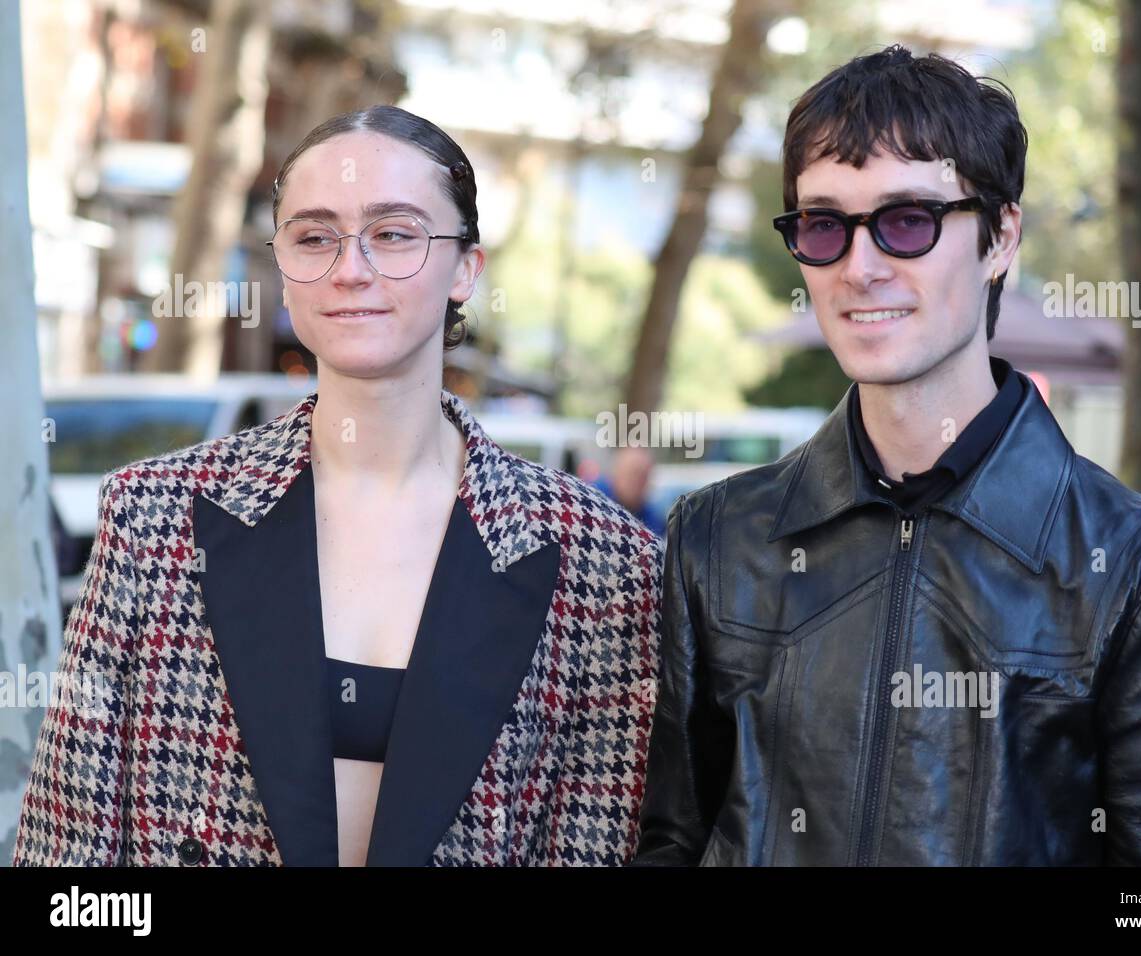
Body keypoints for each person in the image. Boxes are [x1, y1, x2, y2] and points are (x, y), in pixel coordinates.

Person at [634, 46, 1141, 866]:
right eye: (824, 225)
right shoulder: (716, 535)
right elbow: (672, 838)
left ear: (1000, 237)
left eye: (908, 221)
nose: (861, 267)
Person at [12, 105, 663, 867]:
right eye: (315, 236)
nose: (351, 269)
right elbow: (69, 866)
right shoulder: (155, 520)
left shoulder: (604, 561)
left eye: (393, 233)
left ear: (465, 269)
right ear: (283, 266)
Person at [593, 446, 666, 538]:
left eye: (644, 475)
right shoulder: (593, 501)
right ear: (615, 472)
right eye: (632, 473)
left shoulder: (654, 521)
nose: (637, 482)